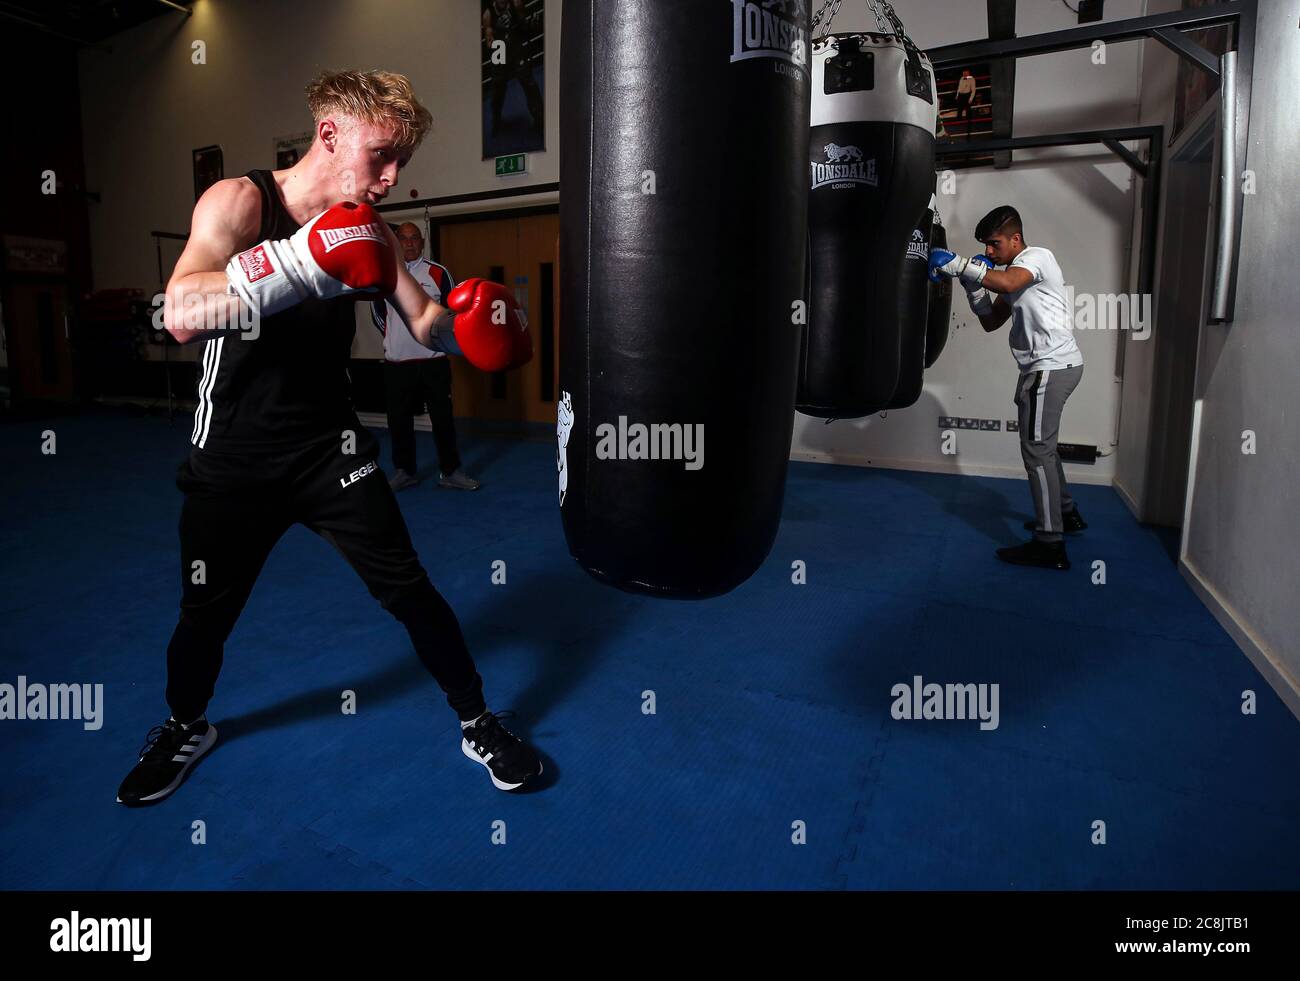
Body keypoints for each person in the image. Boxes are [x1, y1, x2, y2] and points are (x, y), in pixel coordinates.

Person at [117, 69, 539, 806]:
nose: (392, 176)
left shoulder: (371, 229)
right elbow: (180, 311)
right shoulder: (242, 201)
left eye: (402, 161)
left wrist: (474, 332)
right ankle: (186, 724)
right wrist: (300, 258)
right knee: (203, 615)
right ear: (330, 135)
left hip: (329, 453)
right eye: (381, 155)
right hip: (234, 459)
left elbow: (426, 322)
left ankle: (476, 719)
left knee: (411, 590)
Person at [929, 205, 1086, 571]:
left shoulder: (1036, 258)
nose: (988, 252)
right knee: (1044, 447)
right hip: (1048, 368)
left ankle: (1050, 543)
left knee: (1036, 451)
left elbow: (1008, 282)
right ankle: (1067, 514)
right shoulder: (1013, 274)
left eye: (994, 244)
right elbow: (992, 321)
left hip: (1050, 369)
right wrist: (973, 288)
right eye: (985, 246)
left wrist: (957, 264)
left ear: (1016, 239)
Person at [374, 222, 480, 492]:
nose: (409, 243)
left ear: (422, 242)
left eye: (414, 239)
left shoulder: (438, 272)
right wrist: (397, 338)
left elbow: (453, 314)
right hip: (397, 362)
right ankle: (404, 471)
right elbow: (377, 314)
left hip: (433, 361)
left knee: (442, 419)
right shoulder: (385, 272)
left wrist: (434, 342)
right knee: (398, 421)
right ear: (396, 242)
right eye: (403, 239)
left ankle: (451, 471)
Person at [482, 0, 543, 138]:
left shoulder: (516, 4)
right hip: (500, 50)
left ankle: (540, 119)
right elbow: (489, 41)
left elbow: (524, 25)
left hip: (515, 47)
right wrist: (496, 34)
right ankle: (496, 120)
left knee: (529, 83)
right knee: (498, 90)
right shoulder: (488, 14)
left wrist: (531, 24)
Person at [954, 69, 976, 135]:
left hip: (967, 95)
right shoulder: (961, 78)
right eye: (963, 73)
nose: (964, 74)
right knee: (959, 109)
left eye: (965, 73)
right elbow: (959, 88)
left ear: (968, 73)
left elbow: (973, 90)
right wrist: (957, 95)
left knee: (968, 109)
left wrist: (971, 99)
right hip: (961, 95)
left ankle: (969, 122)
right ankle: (959, 123)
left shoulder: (972, 79)